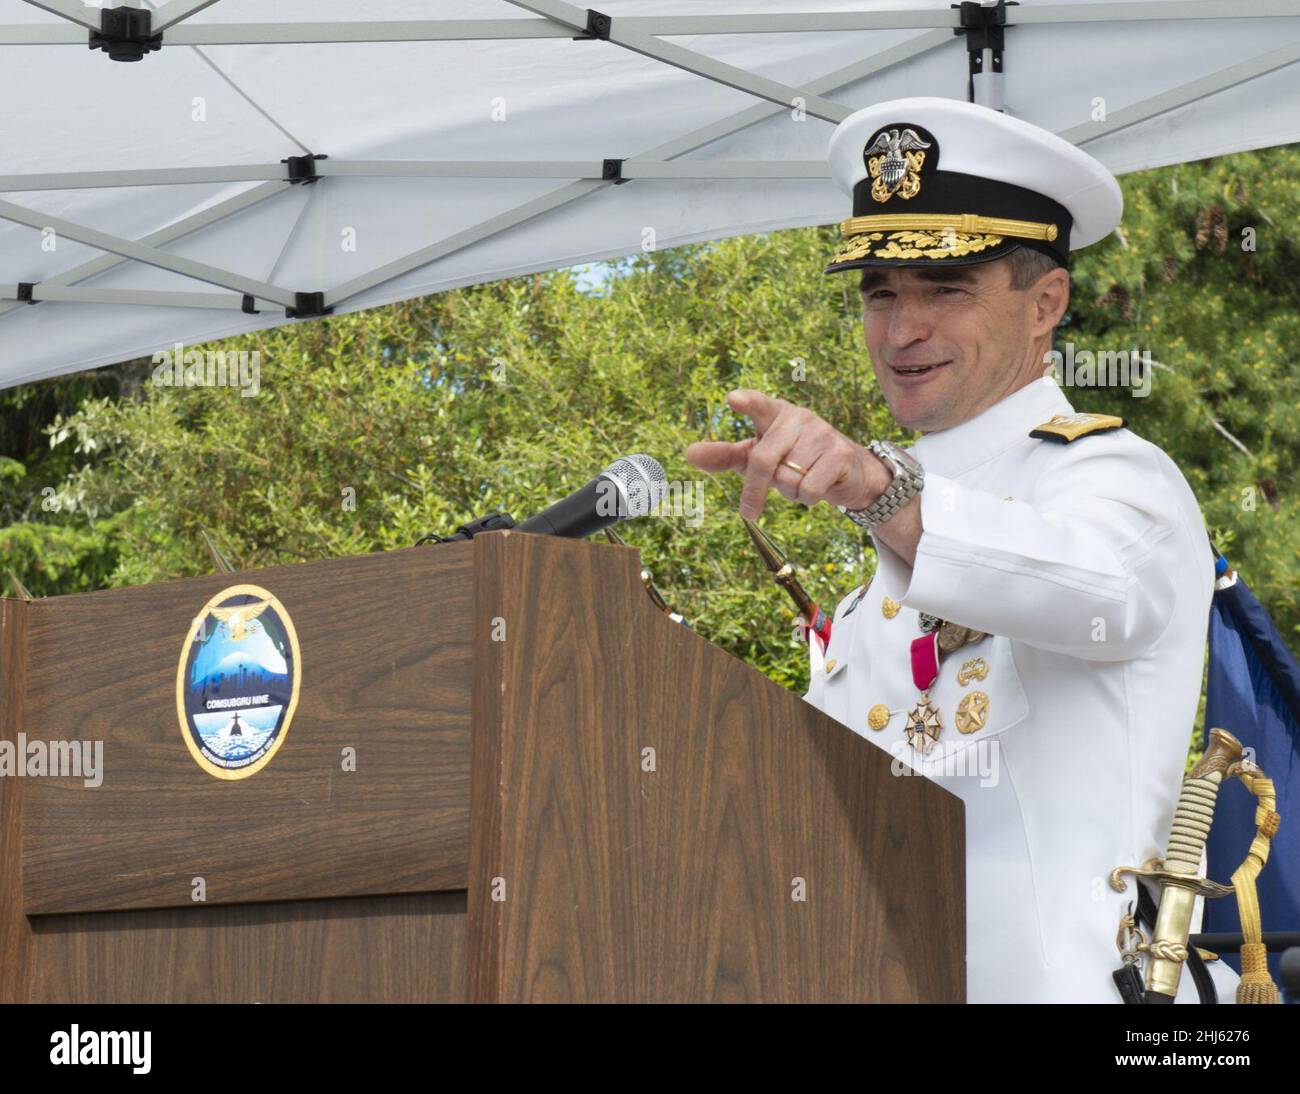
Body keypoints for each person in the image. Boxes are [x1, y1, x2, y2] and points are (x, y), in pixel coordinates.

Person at [687, 96, 1237, 1003]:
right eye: (882, 295)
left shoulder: (1120, 482)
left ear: (1045, 303)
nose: (903, 331)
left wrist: (879, 492)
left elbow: (1090, 588)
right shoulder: (878, 580)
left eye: (946, 291)